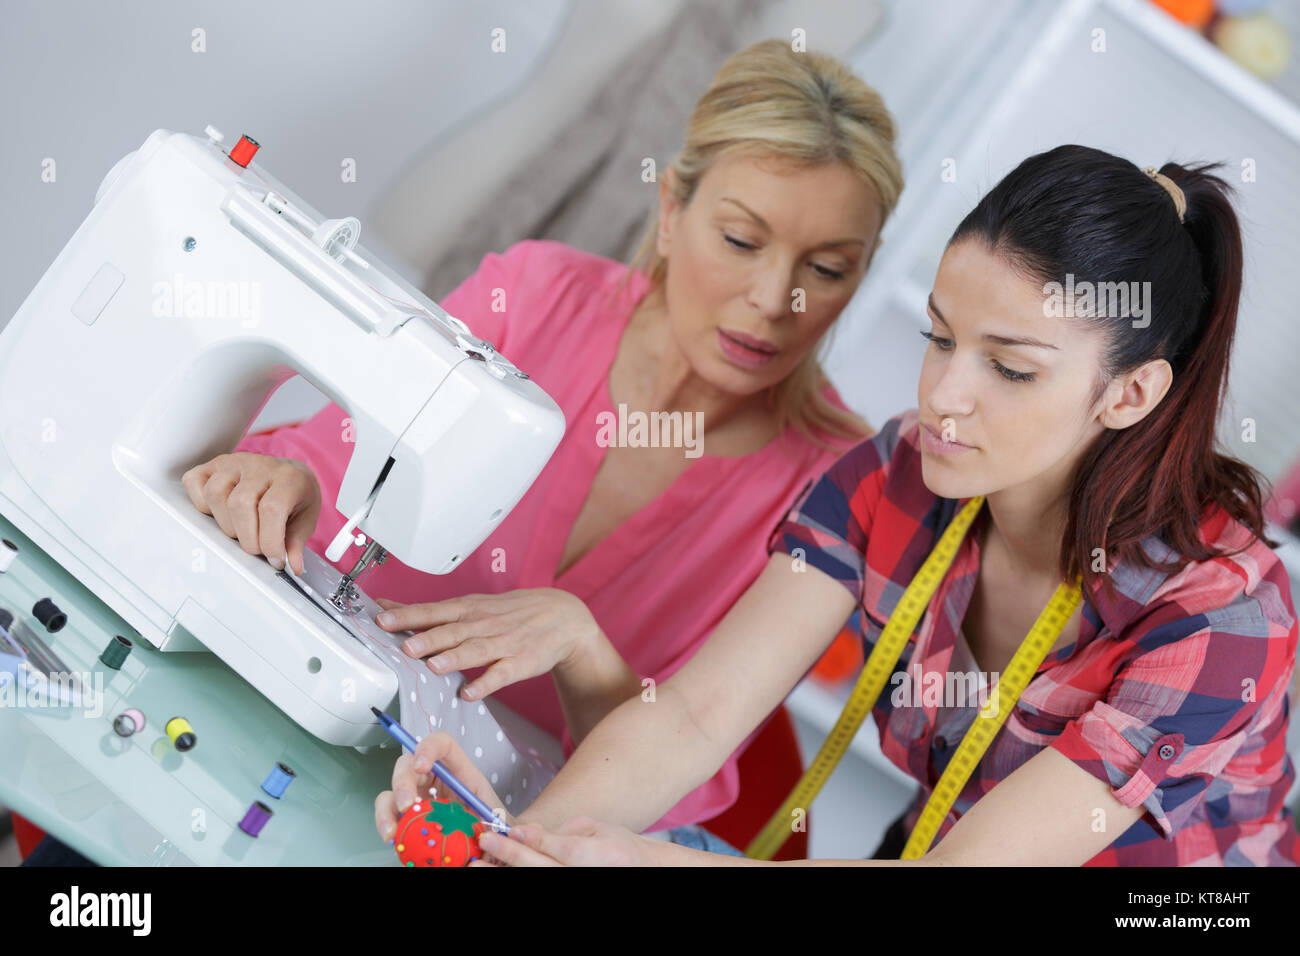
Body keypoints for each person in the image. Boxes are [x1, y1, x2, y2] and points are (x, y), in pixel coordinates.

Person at [378, 145, 1300, 866]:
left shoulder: (1223, 615)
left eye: (1010, 368)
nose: (943, 395)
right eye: (940, 338)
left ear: (1130, 396)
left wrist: (635, 859)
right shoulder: (899, 474)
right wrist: (520, 837)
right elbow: (694, 717)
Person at [176, 38, 904, 846]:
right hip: (290, 719)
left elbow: (660, 784)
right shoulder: (532, 294)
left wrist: (581, 644)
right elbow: (323, 462)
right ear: (670, 214)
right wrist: (281, 487)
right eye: (740, 241)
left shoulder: (838, 488)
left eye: (830, 268)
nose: (775, 298)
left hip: (478, 826)